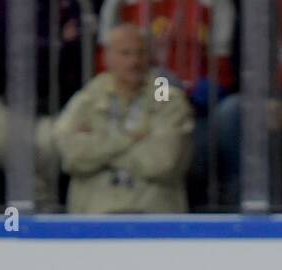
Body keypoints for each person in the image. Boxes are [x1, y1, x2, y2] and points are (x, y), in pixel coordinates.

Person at [54, 24, 194, 213]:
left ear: (149, 57)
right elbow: (72, 156)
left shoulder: (165, 96)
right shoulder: (88, 97)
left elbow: (162, 162)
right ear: (107, 57)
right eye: (125, 53)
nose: (134, 61)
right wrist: (130, 139)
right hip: (94, 217)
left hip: (152, 216)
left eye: (140, 53)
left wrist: (99, 149)